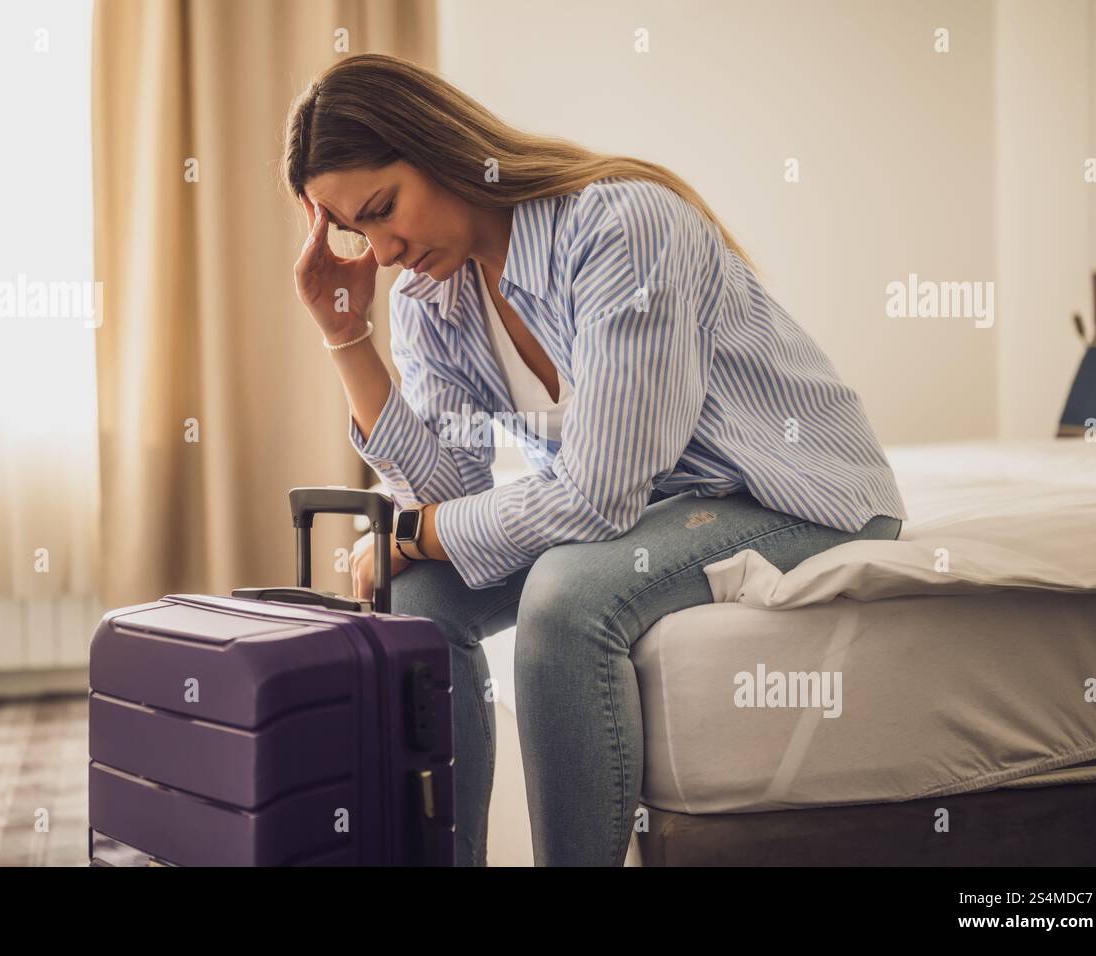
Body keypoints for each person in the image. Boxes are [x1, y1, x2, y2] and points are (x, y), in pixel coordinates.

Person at [284, 53, 906, 867]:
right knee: (418, 596)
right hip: (657, 507)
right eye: (354, 230)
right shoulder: (430, 300)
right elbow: (447, 494)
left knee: (564, 596)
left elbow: (596, 498)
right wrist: (345, 335)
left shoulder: (621, 228)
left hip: (796, 492)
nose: (384, 248)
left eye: (383, 208)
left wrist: (411, 529)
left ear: (437, 145)